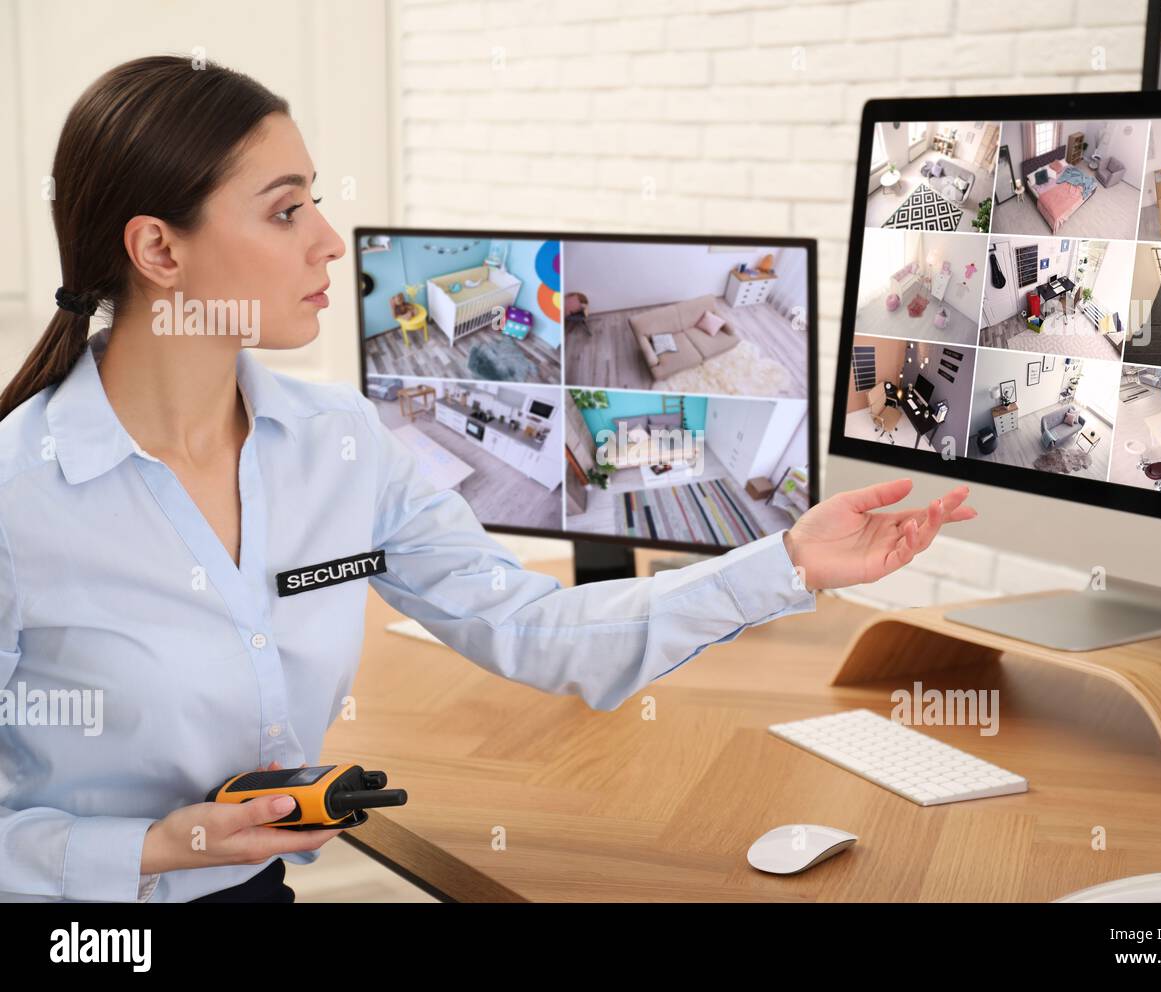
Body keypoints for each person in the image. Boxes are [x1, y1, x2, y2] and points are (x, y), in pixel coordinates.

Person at [0, 56, 975, 903]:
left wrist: (785, 563)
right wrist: (159, 846)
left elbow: (529, 623)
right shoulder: (19, 494)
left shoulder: (339, 441)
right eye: (286, 209)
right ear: (158, 249)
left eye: (317, 205)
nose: (328, 241)